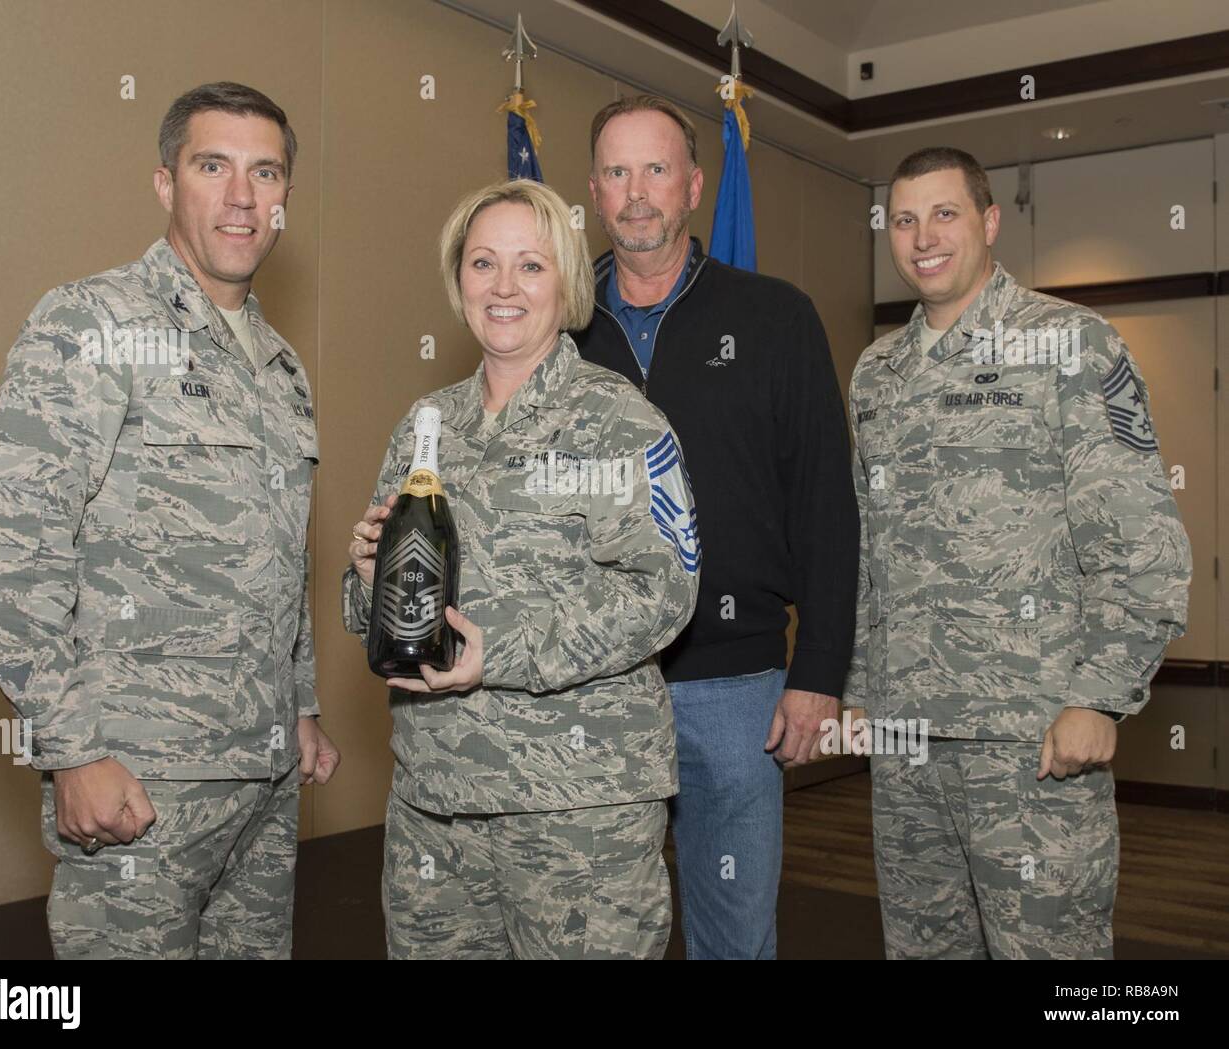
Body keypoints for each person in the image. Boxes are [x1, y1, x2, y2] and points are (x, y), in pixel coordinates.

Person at [0, 82, 339, 960]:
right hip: (139, 780)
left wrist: (302, 701)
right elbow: (11, 559)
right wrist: (72, 750)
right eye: (214, 166)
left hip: (263, 777)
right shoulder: (89, 323)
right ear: (167, 184)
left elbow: (285, 555)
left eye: (265, 172)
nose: (242, 196)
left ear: (285, 198)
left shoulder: (281, 367)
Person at [847, 146, 1192, 959]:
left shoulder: (1071, 343)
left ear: (989, 222)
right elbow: (866, 547)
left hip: (1031, 744)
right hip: (905, 747)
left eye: (944, 213)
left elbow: (1140, 539)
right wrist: (858, 690)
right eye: (903, 218)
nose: (922, 235)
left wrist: (1101, 695)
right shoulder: (875, 373)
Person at [343, 178, 699, 959]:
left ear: (567, 281)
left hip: (578, 814)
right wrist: (367, 576)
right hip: (436, 802)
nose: (503, 287)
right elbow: (372, 608)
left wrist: (492, 650)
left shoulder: (619, 421)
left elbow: (665, 589)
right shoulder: (424, 426)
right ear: (457, 278)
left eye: (530, 266)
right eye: (482, 264)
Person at [572, 94, 859, 959]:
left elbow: (825, 506)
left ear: (695, 185)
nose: (637, 193)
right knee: (591, 932)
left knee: (734, 932)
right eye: (617, 172)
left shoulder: (777, 318)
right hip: (589, 686)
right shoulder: (555, 324)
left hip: (734, 686)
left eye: (656, 168)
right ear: (592, 191)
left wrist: (818, 672)